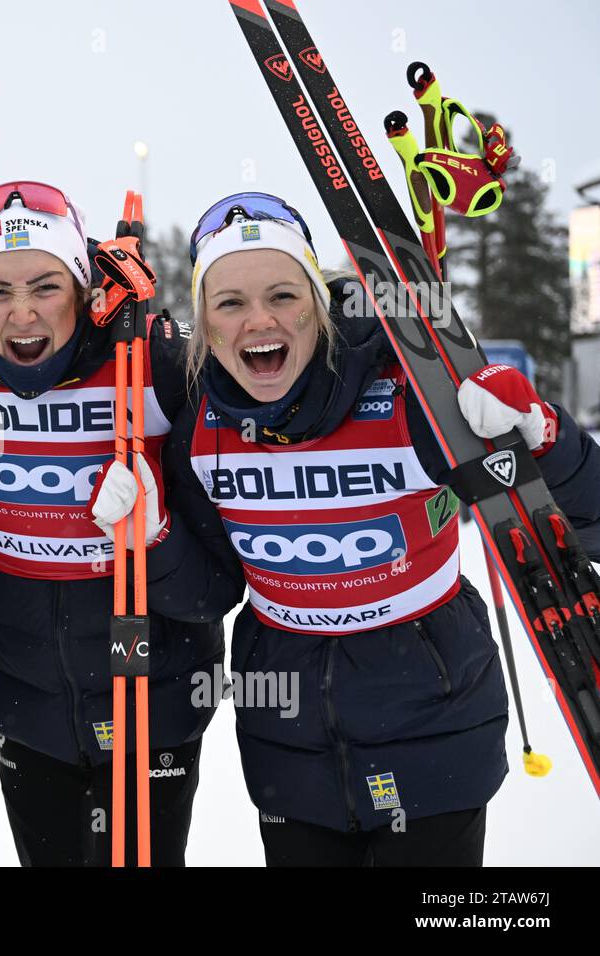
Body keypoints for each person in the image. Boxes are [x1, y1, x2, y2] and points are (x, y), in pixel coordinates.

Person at [156, 191, 600, 865]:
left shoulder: (407, 393)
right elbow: (208, 593)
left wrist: (542, 439)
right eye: (230, 303)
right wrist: (152, 536)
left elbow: (583, 527)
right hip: (288, 751)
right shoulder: (201, 429)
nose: (259, 321)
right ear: (206, 323)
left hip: (435, 740)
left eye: (282, 295)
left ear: (319, 302)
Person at [0, 180, 246, 866]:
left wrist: (155, 532)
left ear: (82, 287)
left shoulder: (160, 366)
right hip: (26, 704)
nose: (21, 313)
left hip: (153, 703)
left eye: (46, 286)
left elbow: (215, 589)